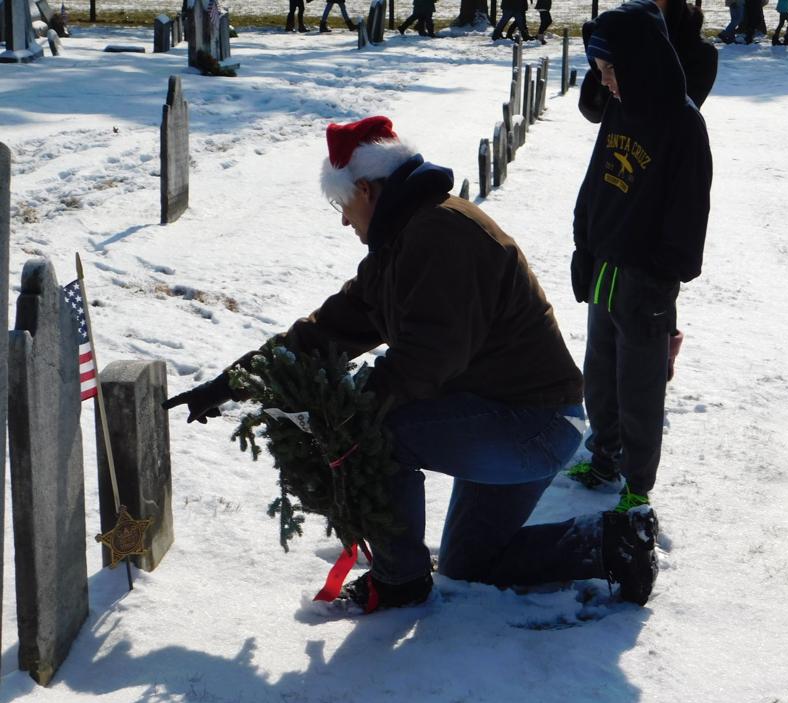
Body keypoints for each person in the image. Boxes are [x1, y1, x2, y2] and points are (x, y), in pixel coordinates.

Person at [164, 116, 660, 612]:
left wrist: (350, 410)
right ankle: (615, 543)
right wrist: (234, 382)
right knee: (470, 565)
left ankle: (398, 581)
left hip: (531, 423)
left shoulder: (441, 234)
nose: (343, 220)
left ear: (366, 189)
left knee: (375, 429)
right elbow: (326, 332)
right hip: (508, 415)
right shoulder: (404, 240)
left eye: (342, 205)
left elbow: (428, 358)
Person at [568, 1, 712, 518]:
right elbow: (595, 186)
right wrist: (584, 247)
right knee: (601, 373)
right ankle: (603, 456)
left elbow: (690, 210)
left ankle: (637, 481)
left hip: (646, 281)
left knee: (641, 385)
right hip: (606, 266)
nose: (604, 82)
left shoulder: (682, 125)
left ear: (636, 63)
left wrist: (663, 273)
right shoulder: (618, 110)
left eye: (609, 71)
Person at [579, 0, 718, 118]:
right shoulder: (622, 29)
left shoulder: (700, 52)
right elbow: (596, 108)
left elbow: (674, 118)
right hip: (619, 143)